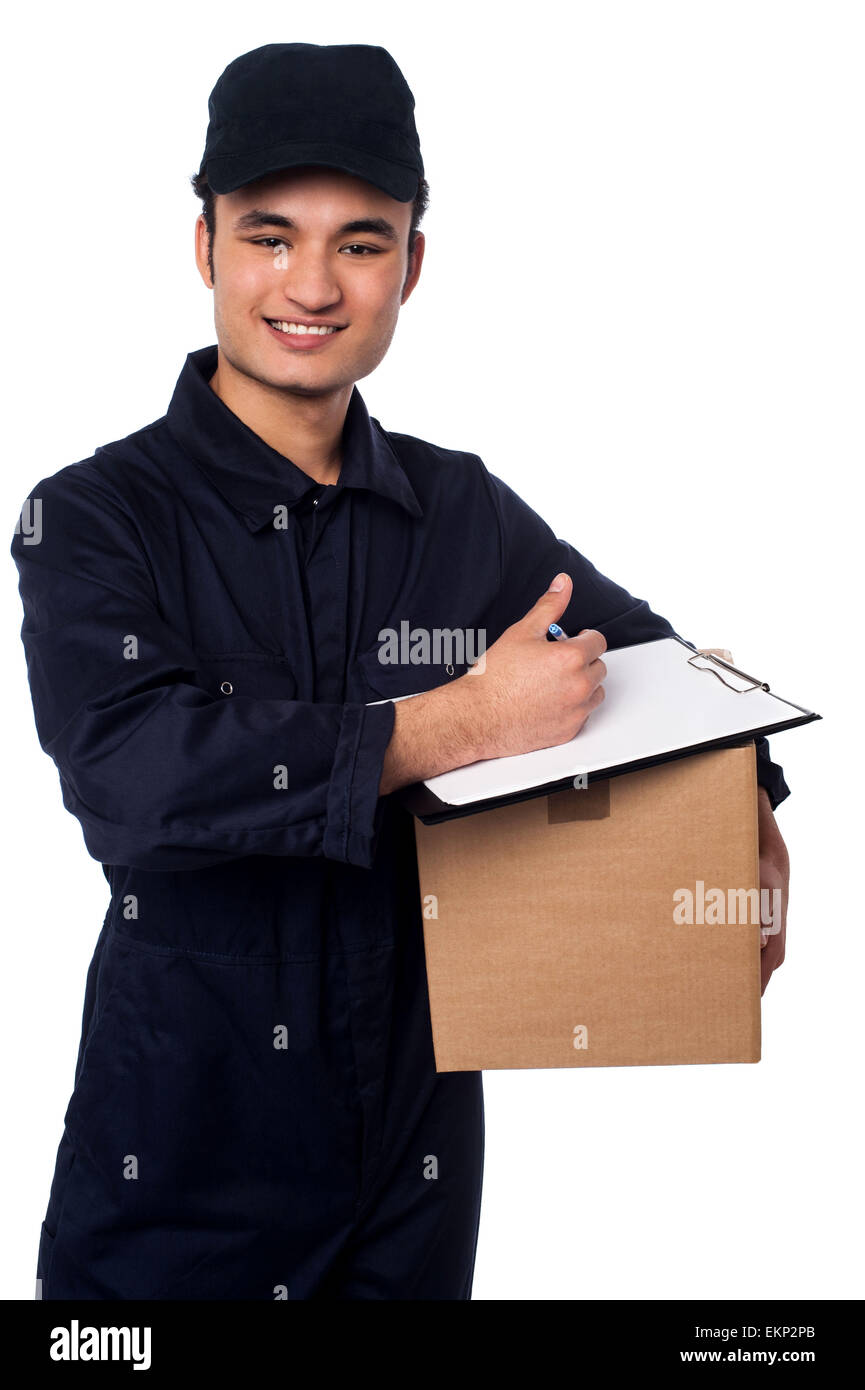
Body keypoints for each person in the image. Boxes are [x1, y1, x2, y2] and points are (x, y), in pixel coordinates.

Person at [11, 41, 791, 1301]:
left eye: (361, 242)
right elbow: (133, 777)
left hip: (410, 1175)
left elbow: (653, 662)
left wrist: (747, 788)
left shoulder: (457, 511)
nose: (312, 283)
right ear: (204, 246)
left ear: (412, 264)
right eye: (269, 235)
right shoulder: (99, 516)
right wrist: (450, 723)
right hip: (178, 1170)